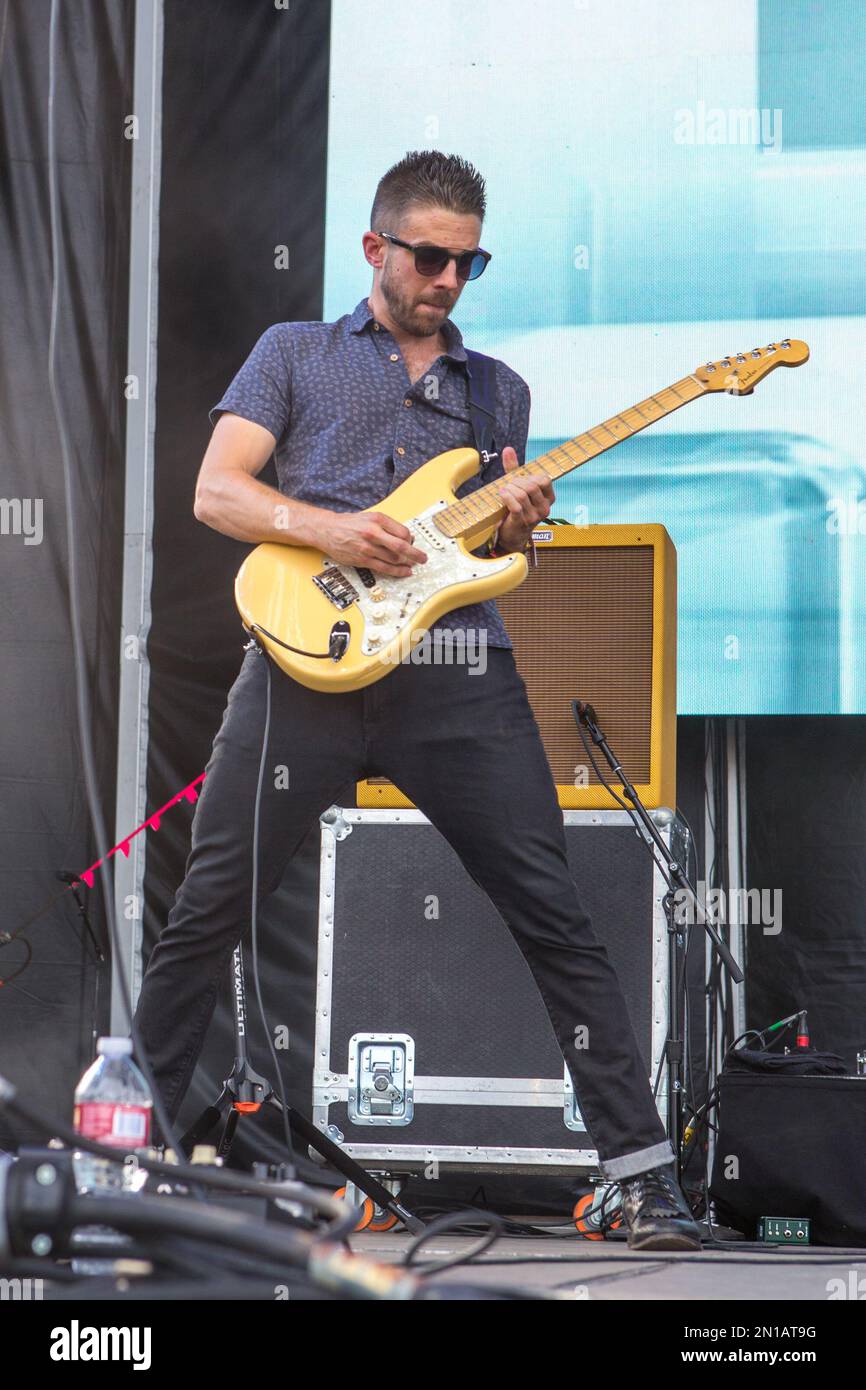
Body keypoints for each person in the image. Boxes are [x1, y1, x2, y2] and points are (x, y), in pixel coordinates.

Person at [133, 150, 700, 1251]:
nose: (446, 277)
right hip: (303, 664)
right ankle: (135, 1155)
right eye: (429, 255)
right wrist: (333, 528)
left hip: (452, 676)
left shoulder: (496, 390)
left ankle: (638, 1173)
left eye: (466, 260)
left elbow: (484, 550)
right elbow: (217, 490)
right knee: (208, 905)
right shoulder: (294, 353)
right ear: (374, 249)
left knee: (552, 906)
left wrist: (520, 521)